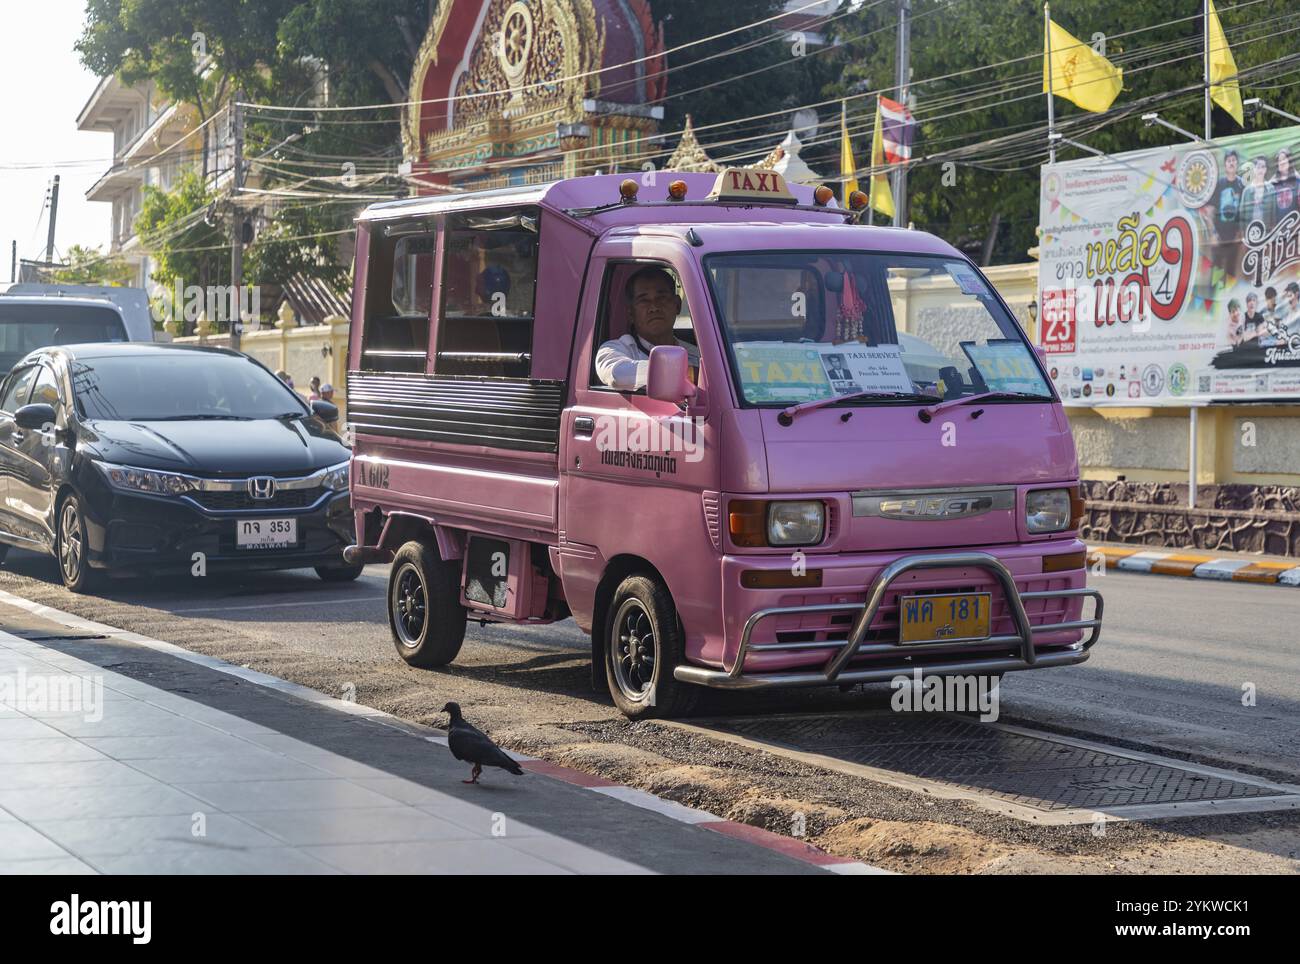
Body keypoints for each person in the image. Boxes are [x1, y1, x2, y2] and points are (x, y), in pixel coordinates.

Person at [594, 266, 699, 391]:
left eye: (662, 298)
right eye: (644, 300)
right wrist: (688, 374)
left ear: (677, 305)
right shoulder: (615, 350)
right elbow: (617, 375)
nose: (654, 307)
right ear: (631, 314)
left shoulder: (696, 355)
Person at [1240, 155, 1276, 233]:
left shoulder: (1271, 189)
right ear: (1254, 169)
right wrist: (1243, 234)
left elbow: (1274, 214)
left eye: (1263, 167)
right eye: (1258, 167)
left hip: (1266, 233)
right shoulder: (1247, 191)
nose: (1260, 170)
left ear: (1266, 169)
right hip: (1249, 233)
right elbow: (1242, 215)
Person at [1272, 147, 1299, 223]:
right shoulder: (1273, 183)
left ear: (1289, 160)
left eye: (1284, 159)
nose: (1281, 162)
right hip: (1278, 227)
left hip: (1295, 226)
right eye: (1279, 160)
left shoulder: (1297, 180)